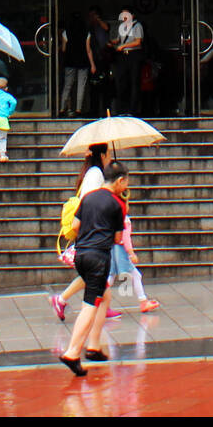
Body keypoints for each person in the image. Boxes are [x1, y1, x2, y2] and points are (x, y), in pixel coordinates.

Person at [58, 160, 130, 376]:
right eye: (126, 182)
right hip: (99, 258)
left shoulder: (88, 197)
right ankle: (72, 352)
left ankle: (94, 347)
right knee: (91, 304)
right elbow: (118, 238)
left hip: (80, 255)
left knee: (104, 296)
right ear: (119, 181)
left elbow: (75, 226)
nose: (126, 186)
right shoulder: (118, 204)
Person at [50, 143, 120, 323]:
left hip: (92, 230)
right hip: (93, 231)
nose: (110, 157)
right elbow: (91, 201)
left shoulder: (94, 172)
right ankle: (63, 299)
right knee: (94, 272)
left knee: (97, 273)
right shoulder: (96, 174)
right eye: (109, 154)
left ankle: (101, 305)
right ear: (102, 155)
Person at [107, 184, 160, 314]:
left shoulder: (111, 217)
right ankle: (143, 301)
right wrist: (131, 254)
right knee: (135, 275)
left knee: (110, 276)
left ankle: (97, 300)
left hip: (111, 249)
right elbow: (125, 239)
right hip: (121, 251)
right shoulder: (124, 219)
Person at [114, 9, 144, 116]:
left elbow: (138, 41)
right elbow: (118, 40)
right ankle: (121, 109)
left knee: (134, 82)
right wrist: (111, 43)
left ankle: (133, 110)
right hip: (123, 56)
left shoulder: (137, 26)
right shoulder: (122, 27)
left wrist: (123, 46)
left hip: (133, 55)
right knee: (122, 81)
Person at [85, 6, 112, 116]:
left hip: (104, 58)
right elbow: (88, 48)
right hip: (94, 59)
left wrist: (99, 20)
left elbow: (106, 28)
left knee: (105, 85)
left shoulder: (103, 27)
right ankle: (94, 110)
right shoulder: (89, 29)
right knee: (94, 86)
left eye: (94, 15)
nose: (92, 18)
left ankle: (107, 109)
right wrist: (92, 64)